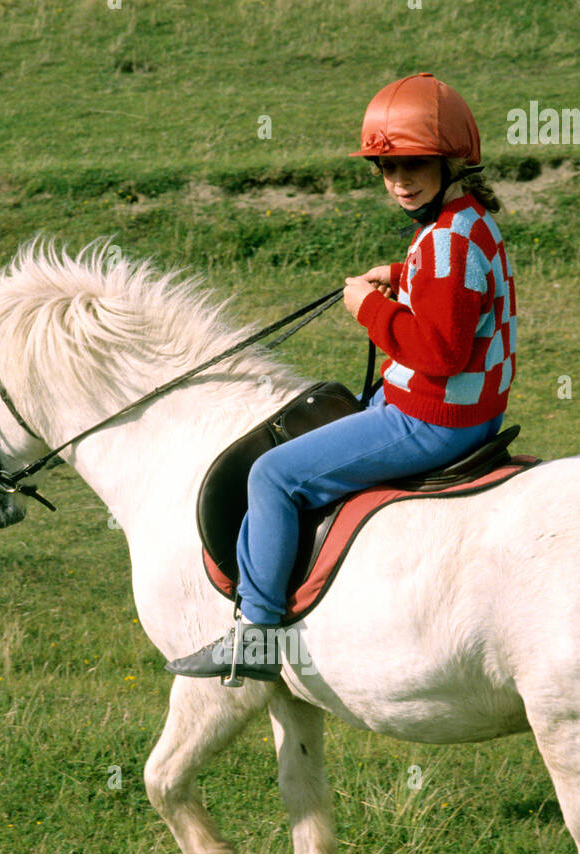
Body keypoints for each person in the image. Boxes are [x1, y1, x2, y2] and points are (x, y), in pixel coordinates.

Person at [167, 72, 517, 682]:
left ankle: (258, 635)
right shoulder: (468, 223)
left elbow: (439, 351)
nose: (399, 181)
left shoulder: (445, 243)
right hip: (470, 407)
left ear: (449, 160)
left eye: (413, 164)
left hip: (435, 417)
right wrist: (396, 273)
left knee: (273, 474)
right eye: (386, 169)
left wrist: (369, 310)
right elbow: (447, 289)